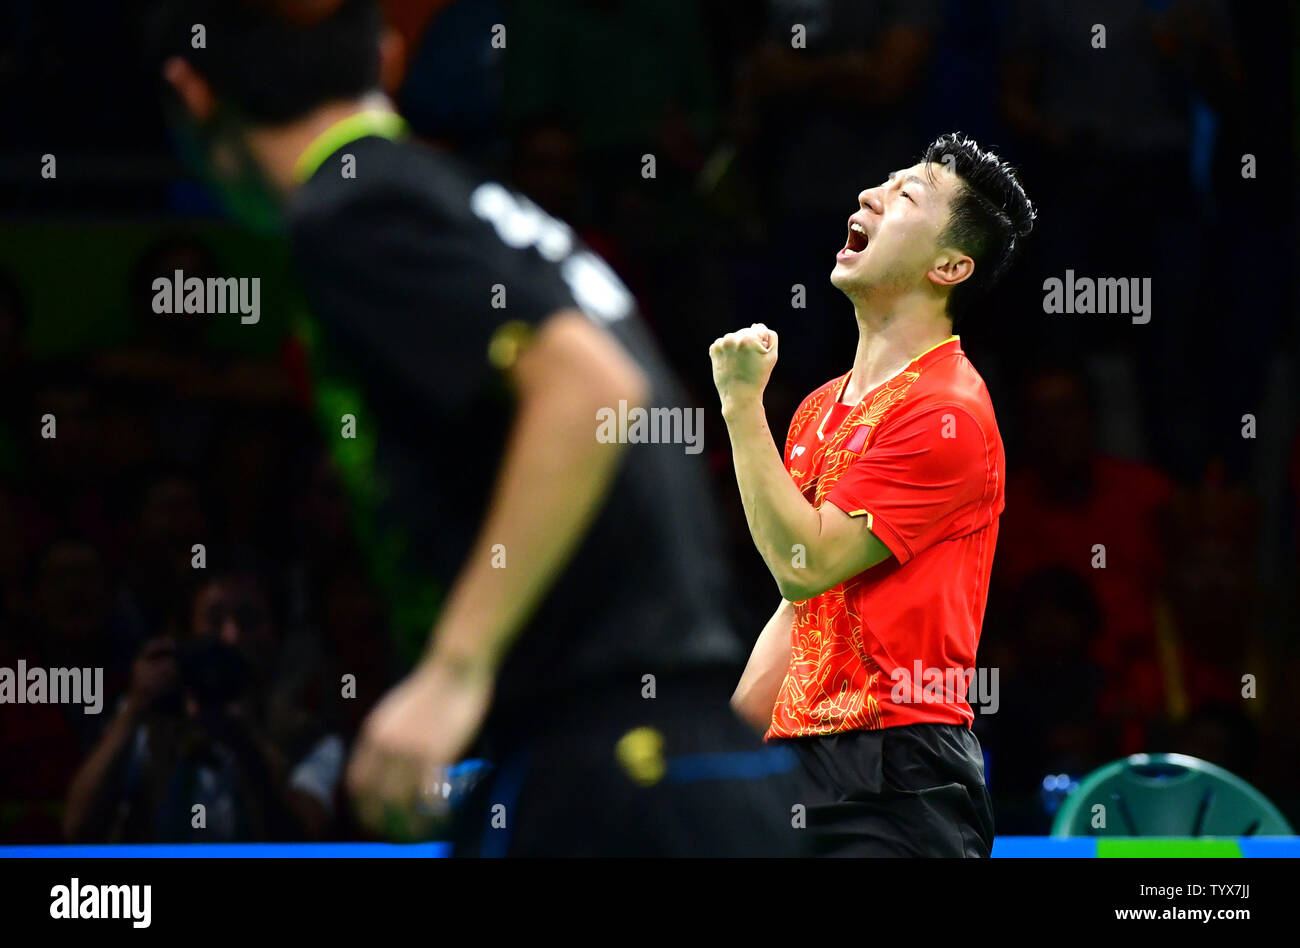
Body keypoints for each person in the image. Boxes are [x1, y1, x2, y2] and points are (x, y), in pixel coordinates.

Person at [149, 0, 802, 856]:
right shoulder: (453, 195)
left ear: (191, 92)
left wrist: (452, 674)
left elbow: (585, 385)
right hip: (683, 758)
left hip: (607, 776)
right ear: (386, 61)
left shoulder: (354, 208)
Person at [712, 133, 1035, 856]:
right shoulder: (819, 409)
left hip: (900, 775)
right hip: (802, 763)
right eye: (882, 183)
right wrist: (719, 756)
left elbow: (804, 561)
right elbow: (804, 607)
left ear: (950, 266)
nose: (869, 196)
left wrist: (739, 408)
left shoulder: (949, 412)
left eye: (906, 195)